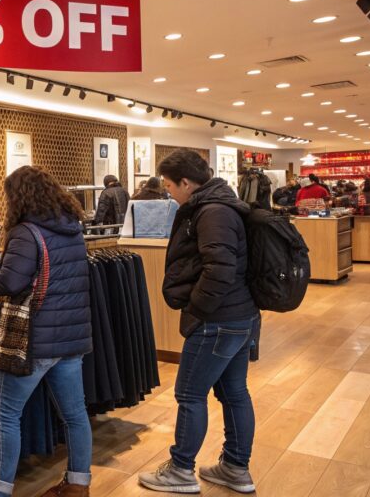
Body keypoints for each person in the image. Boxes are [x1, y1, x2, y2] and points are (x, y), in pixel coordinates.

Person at [139, 149, 259, 495]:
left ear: (187, 182)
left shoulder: (212, 212)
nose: (168, 193)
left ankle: (180, 470)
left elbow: (219, 269)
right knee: (234, 392)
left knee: (190, 394)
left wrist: (198, 309)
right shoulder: (221, 204)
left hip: (218, 320)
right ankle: (235, 468)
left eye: (169, 186)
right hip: (239, 315)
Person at [0, 166, 93, 497]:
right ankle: (78, 485)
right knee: (75, 414)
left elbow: (9, 282)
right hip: (70, 340)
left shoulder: (26, 232)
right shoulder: (72, 227)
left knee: (6, 417)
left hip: (34, 340)